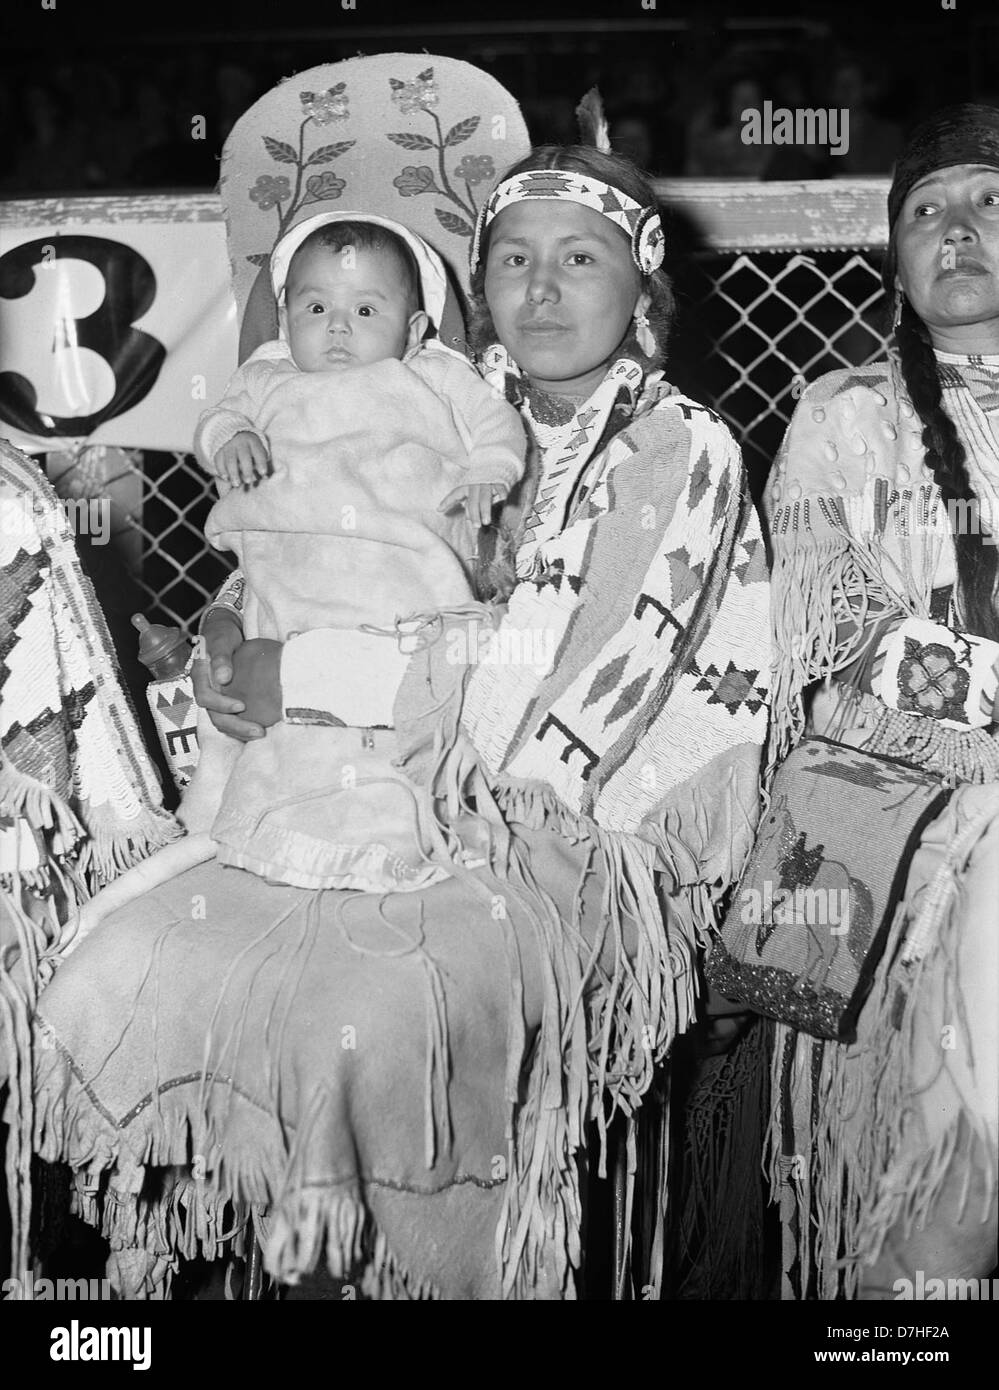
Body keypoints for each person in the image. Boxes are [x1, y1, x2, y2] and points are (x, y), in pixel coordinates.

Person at [29, 139, 771, 1299]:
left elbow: (553, 678)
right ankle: (220, 1259)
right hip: (349, 781)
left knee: (366, 1021)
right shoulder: (439, 400)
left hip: (557, 823)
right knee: (124, 959)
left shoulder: (676, 446)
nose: (540, 288)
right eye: (513, 258)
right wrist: (230, 632)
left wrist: (304, 675)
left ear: (642, 288)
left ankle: (383, 1271)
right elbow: (312, 539)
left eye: (580, 259)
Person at [72, 212, 525, 933]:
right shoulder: (268, 376)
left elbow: (495, 429)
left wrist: (486, 476)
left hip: (396, 574)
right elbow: (216, 421)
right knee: (265, 733)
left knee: (375, 724)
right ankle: (263, 830)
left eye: (364, 310)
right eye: (316, 308)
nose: (337, 328)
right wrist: (236, 437)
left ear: (412, 330)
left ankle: (384, 837)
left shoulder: (437, 374)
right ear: (285, 318)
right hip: (289, 568)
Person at [764, 104, 999, 1299]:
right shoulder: (841, 418)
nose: (956, 231)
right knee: (935, 1200)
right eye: (925, 212)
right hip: (901, 817)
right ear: (896, 262)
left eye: (990, 204)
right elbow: (838, 639)